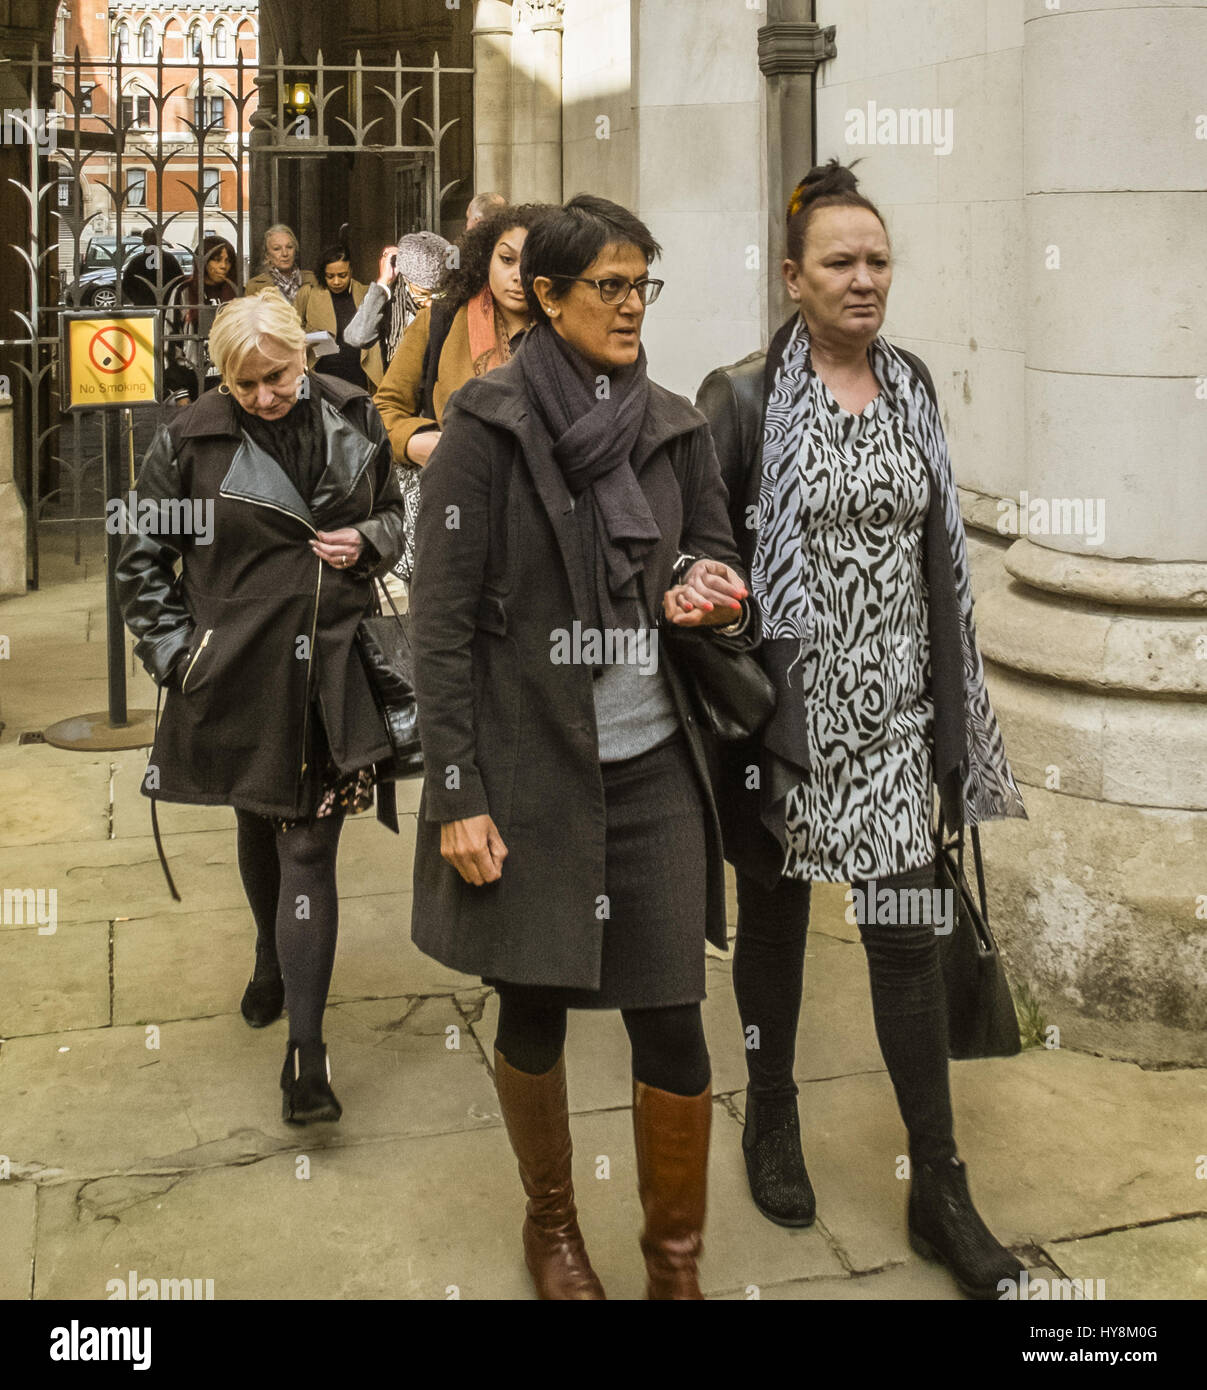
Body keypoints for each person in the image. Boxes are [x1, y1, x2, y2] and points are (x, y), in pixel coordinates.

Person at [695, 160, 1028, 1299]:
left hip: (894, 719)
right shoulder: (737, 397)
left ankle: (937, 1183)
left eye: (878, 260)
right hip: (783, 727)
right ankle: (770, 1110)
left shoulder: (913, 384)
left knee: (904, 945)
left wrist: (948, 717)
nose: (863, 279)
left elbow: (939, 559)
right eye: (838, 262)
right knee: (775, 934)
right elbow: (705, 557)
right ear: (791, 277)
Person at [409, 194, 751, 1300]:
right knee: (536, 1004)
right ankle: (551, 1226)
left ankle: (674, 1264)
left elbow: (709, 554)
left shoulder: (670, 423)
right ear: (546, 296)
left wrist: (713, 595)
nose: (631, 304)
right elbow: (442, 625)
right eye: (609, 285)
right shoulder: (487, 426)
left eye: (643, 284)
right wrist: (456, 790)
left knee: (673, 1018)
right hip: (530, 767)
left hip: (653, 764)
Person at [115, 290, 406, 1125]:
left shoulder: (353, 416)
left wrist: (371, 541)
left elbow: (395, 513)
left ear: (304, 356)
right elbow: (140, 558)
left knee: (308, 848)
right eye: (243, 386)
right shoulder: (189, 439)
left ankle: (305, 1054)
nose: (263, 398)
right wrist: (180, 659)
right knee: (258, 825)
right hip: (238, 674)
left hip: (335, 670)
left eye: (275, 379)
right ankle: (268, 956)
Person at [373, 204, 549, 587]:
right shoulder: (440, 320)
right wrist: (416, 441)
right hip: (456, 516)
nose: (518, 276)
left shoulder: (567, 329)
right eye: (506, 259)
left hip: (543, 524)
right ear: (486, 259)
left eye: (532, 262)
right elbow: (384, 408)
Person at [343, 230, 453, 372]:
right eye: (422, 294)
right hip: (401, 383)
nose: (429, 303)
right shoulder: (393, 298)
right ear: (406, 280)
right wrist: (383, 283)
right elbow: (358, 337)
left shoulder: (454, 299)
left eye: (437, 295)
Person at [294, 244, 384, 391]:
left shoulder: (366, 293)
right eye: (330, 276)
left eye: (342, 275)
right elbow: (291, 331)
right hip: (320, 376)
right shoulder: (308, 293)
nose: (336, 281)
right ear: (323, 274)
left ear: (351, 271)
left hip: (359, 378)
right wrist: (310, 336)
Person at [178, 234, 239, 397]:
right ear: (203, 261)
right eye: (217, 260)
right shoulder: (184, 292)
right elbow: (170, 342)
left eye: (228, 261)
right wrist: (180, 392)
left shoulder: (237, 292)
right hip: (194, 379)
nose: (223, 266)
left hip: (230, 379)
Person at [243, 223, 318, 303]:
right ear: (267, 255)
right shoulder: (255, 286)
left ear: (295, 250)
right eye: (277, 249)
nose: (285, 253)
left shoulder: (312, 280)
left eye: (289, 247)